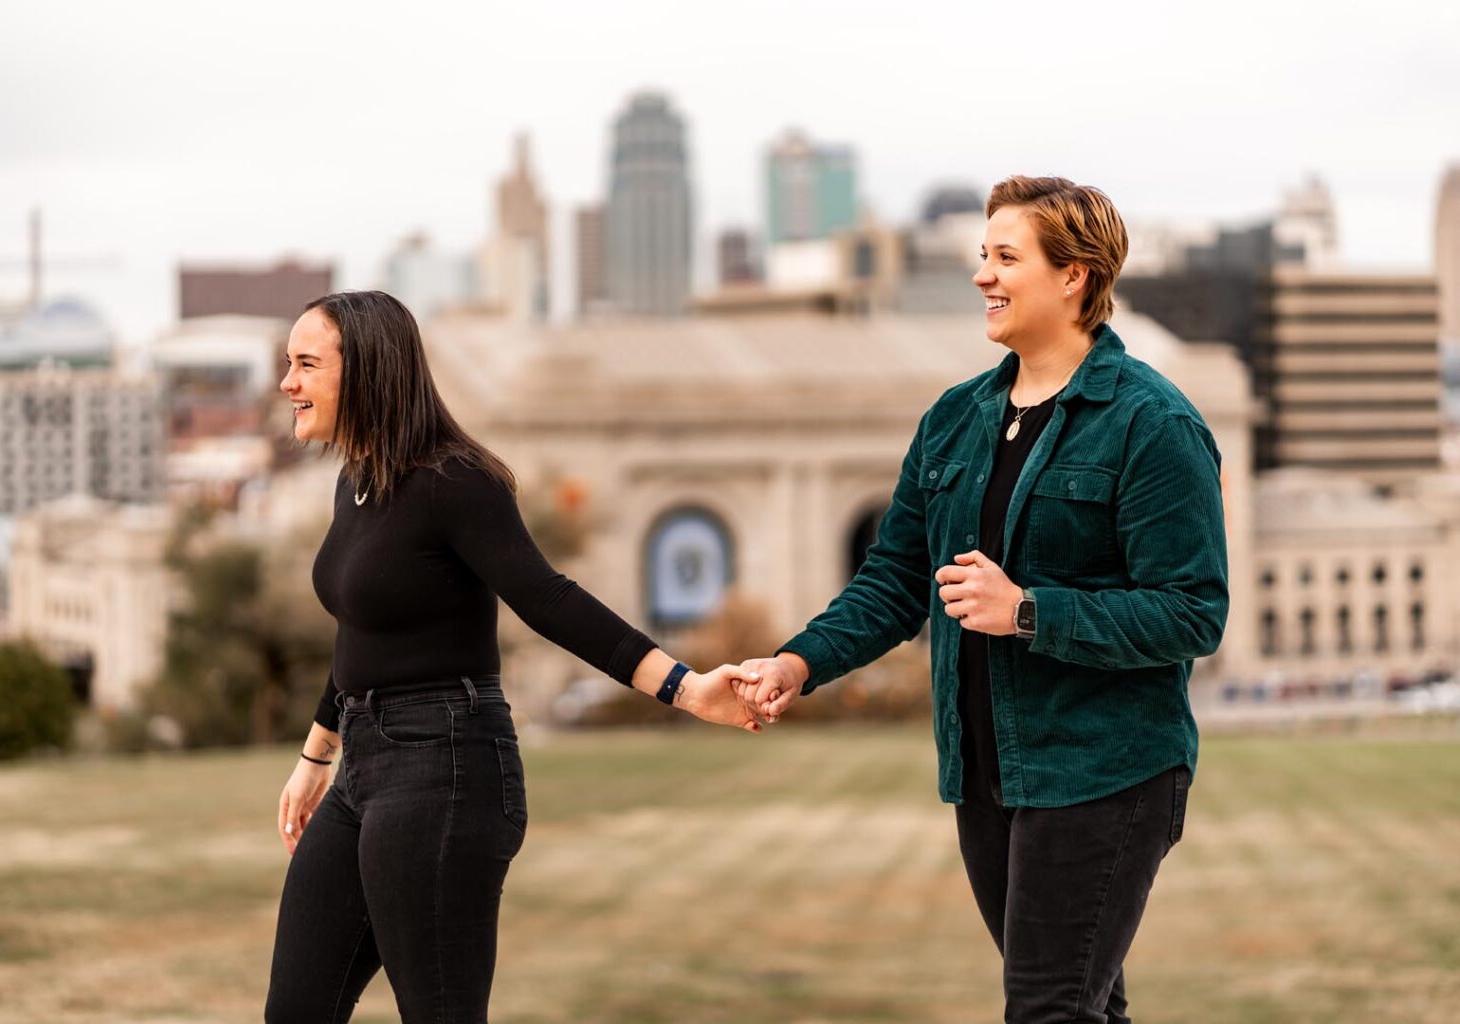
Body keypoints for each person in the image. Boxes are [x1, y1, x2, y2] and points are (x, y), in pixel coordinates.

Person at [737, 175, 1228, 1023]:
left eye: (1006, 256)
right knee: (1079, 1006)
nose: (982, 275)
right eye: (982, 255)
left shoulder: (1152, 423)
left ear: (1073, 276)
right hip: (984, 776)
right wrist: (797, 662)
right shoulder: (955, 419)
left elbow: (1192, 611)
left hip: (1103, 770)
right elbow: (896, 580)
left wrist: (1028, 611)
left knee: (1046, 1009)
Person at [265, 290, 762, 1023]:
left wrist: (684, 688)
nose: (287, 383)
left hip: (444, 767)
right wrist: (317, 756)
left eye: (306, 364)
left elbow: (548, 598)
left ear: (367, 370)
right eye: (289, 364)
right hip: (364, 766)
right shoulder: (356, 484)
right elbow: (360, 636)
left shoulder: (455, 481)